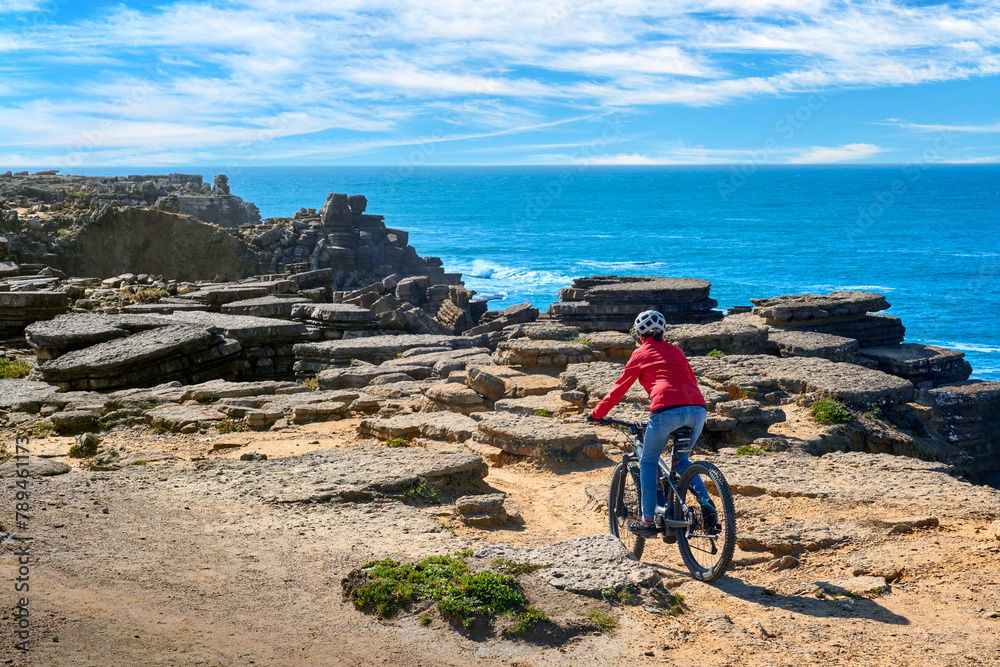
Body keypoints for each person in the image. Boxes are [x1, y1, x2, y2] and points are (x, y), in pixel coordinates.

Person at [586, 310, 709, 538]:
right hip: (697, 409)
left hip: (665, 411)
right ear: (662, 332)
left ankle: (647, 521)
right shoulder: (677, 351)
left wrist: (597, 414)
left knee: (649, 461)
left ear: (640, 334)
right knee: (682, 461)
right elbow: (691, 381)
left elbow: (618, 389)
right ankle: (707, 506)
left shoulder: (641, 353)